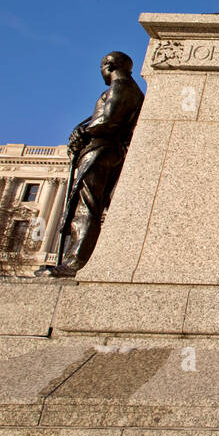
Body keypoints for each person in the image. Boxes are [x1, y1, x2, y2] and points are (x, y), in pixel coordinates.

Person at [38, 52, 143, 277]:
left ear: (110, 65)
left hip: (100, 148)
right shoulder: (133, 90)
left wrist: (83, 132)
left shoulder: (120, 87)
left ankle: (75, 262)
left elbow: (109, 119)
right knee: (91, 207)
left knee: (86, 208)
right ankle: (78, 258)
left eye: (102, 66)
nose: (101, 71)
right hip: (109, 150)